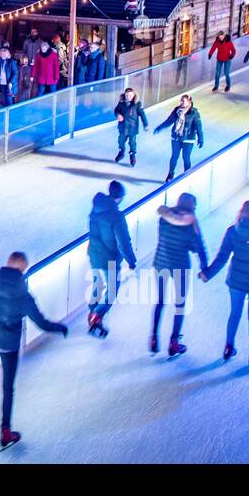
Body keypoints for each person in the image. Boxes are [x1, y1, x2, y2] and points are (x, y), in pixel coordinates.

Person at [0, 251, 69, 449]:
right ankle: (5, 432)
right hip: (8, 345)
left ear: (8, 263)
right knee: (7, 387)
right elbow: (42, 323)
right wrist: (61, 327)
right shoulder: (25, 297)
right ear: (24, 269)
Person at [201, 200, 249, 369]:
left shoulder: (232, 232)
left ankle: (228, 348)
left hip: (235, 281)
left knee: (234, 314)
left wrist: (208, 273)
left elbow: (222, 257)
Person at [150, 193, 208, 358]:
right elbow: (198, 248)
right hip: (180, 267)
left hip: (161, 263)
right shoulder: (191, 225)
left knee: (160, 302)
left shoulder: (163, 219)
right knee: (180, 305)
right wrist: (204, 267)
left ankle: (154, 338)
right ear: (191, 206)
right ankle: (174, 342)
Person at [86, 181, 134, 338]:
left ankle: (93, 312)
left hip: (94, 254)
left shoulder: (96, 208)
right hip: (109, 258)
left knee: (97, 284)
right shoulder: (117, 216)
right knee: (112, 290)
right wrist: (131, 260)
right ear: (120, 198)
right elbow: (123, 242)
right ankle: (96, 316)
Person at [154, 94, 205, 182]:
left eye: (183, 101)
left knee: (186, 157)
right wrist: (160, 127)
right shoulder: (176, 110)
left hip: (188, 138)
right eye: (181, 100)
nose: (181, 102)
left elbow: (198, 126)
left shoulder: (194, 113)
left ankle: (187, 174)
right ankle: (170, 174)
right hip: (176, 137)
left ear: (189, 102)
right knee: (174, 157)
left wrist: (201, 138)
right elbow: (169, 121)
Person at [113, 87, 148, 166]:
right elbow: (116, 110)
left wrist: (145, 124)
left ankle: (132, 155)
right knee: (121, 140)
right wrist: (118, 115)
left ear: (133, 95)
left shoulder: (137, 104)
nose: (128, 97)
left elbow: (142, 114)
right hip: (123, 127)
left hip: (132, 128)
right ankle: (121, 151)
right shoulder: (121, 103)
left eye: (130, 95)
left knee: (132, 142)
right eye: (127, 95)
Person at [20, 27, 43, 99]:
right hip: (28, 65)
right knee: (27, 82)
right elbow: (23, 52)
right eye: (32, 32)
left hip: (37, 65)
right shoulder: (26, 41)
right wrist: (25, 60)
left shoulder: (40, 42)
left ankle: (34, 98)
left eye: (35, 32)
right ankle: (27, 98)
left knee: (36, 83)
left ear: (37, 33)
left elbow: (42, 53)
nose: (33, 33)